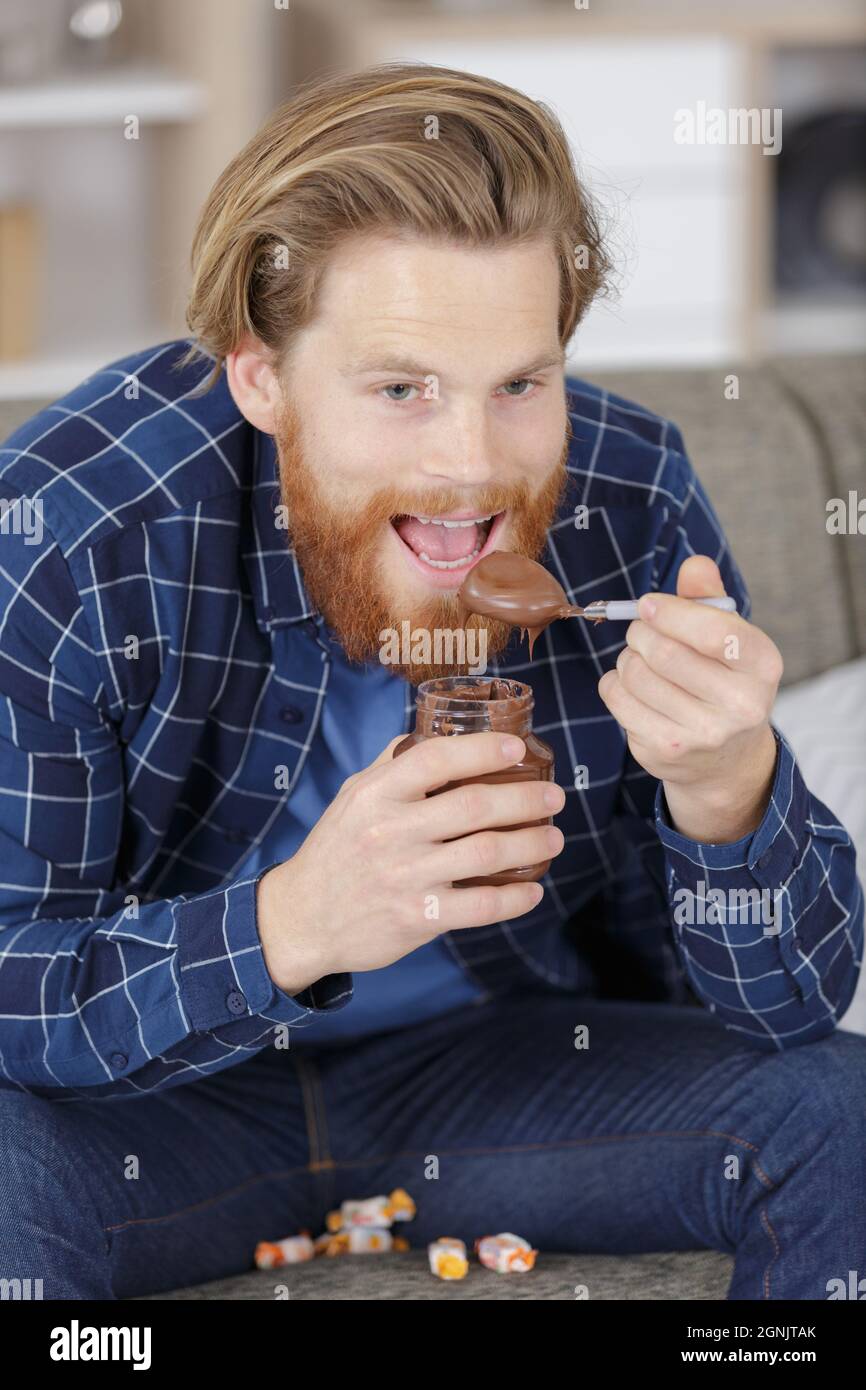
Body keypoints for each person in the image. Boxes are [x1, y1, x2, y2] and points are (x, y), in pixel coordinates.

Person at [0, 63, 862, 1302]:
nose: (469, 470)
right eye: (401, 389)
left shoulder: (628, 502)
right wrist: (293, 923)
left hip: (489, 1067)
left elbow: (786, 1013)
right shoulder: (73, 533)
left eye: (519, 384)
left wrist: (731, 793)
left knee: (842, 1109)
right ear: (259, 377)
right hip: (160, 1105)